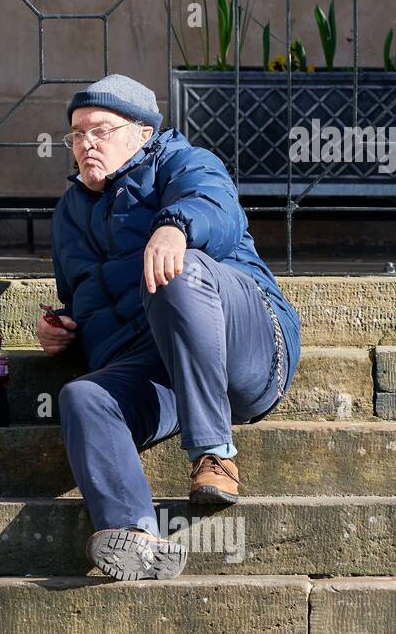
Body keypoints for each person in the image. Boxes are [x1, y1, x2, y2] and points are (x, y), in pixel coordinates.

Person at [41, 73, 300, 581]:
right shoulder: (69, 215)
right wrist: (59, 328)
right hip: (158, 369)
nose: (85, 144)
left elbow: (215, 208)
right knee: (83, 398)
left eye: (100, 130)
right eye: (76, 134)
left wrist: (172, 226)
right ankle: (134, 536)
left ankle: (215, 453)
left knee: (172, 274)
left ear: (142, 133)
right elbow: (83, 296)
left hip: (247, 348)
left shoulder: (184, 162)